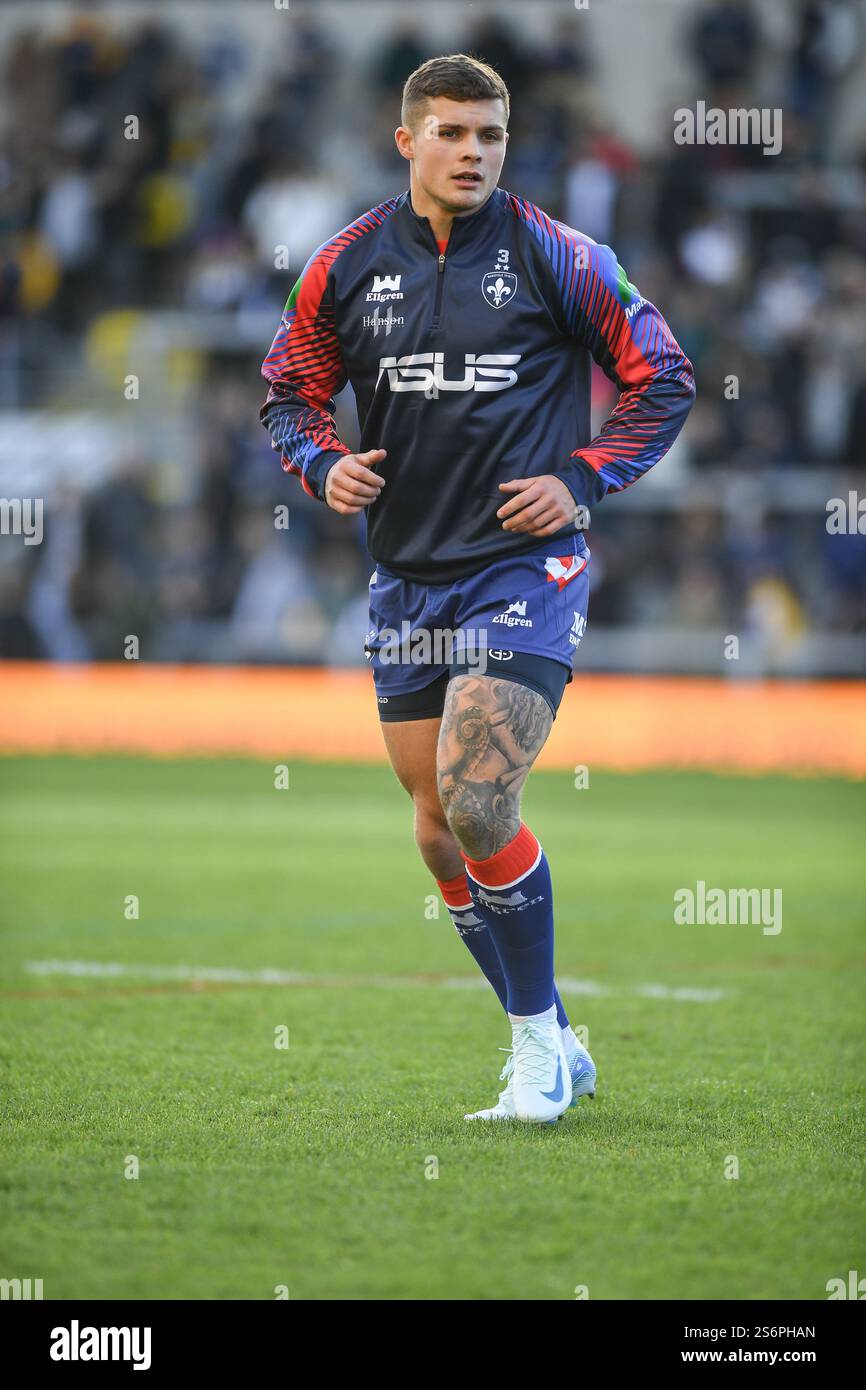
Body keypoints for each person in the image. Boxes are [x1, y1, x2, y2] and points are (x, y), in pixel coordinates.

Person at [260, 54, 696, 1123]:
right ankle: (554, 1042)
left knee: (476, 790)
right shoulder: (342, 266)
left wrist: (582, 478)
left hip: (520, 569)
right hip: (406, 576)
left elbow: (664, 376)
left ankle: (538, 1050)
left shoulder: (560, 255)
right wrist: (322, 463)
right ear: (404, 140)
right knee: (434, 827)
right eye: (450, 133)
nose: (471, 152)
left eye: (489, 135)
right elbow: (286, 393)